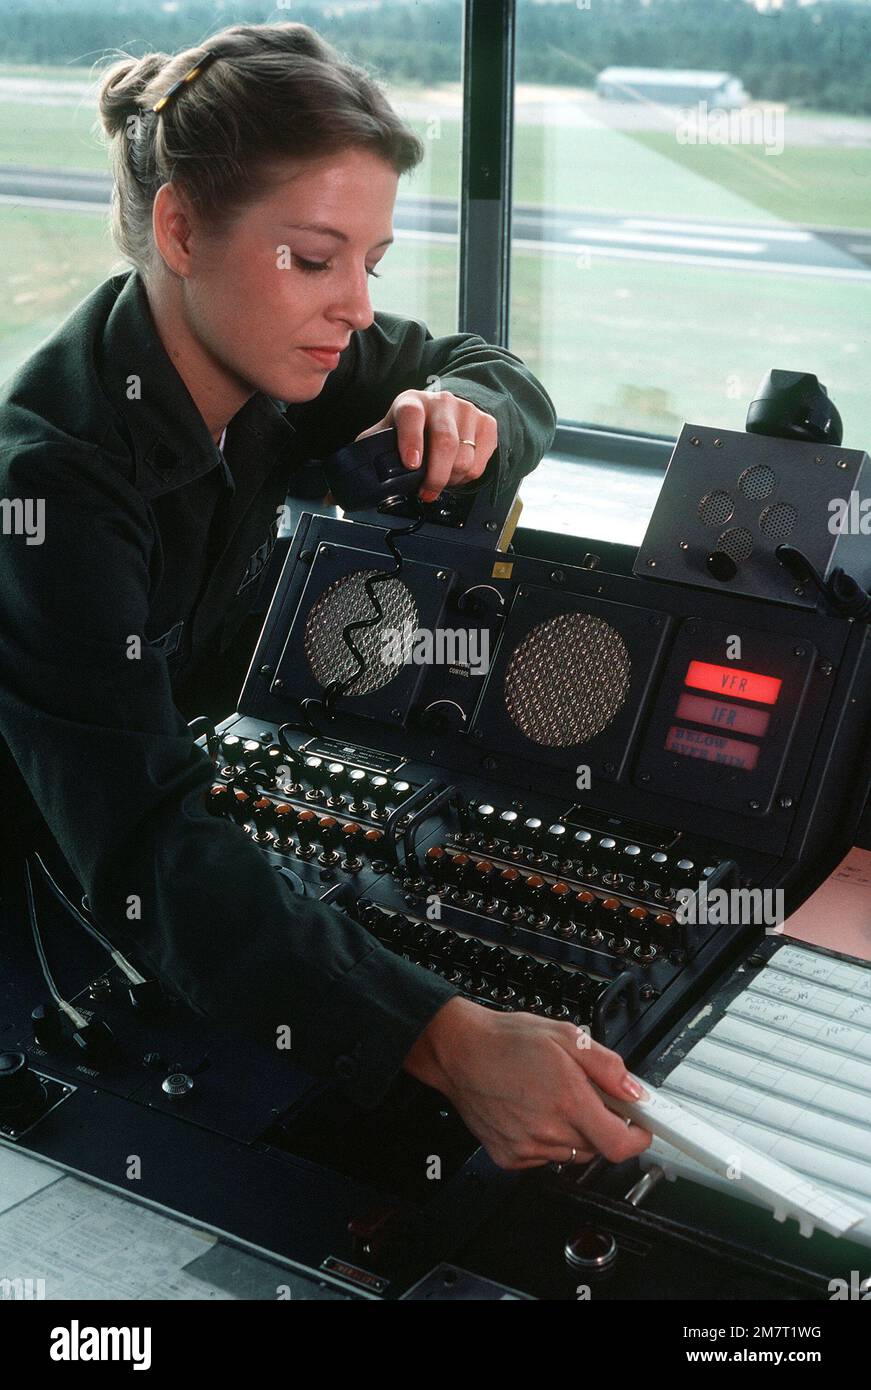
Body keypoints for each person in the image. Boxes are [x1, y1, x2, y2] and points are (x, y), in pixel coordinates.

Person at [0, 21, 651, 1172]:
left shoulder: (272, 343)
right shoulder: (49, 484)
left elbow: (495, 368)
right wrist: (444, 1040)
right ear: (182, 229)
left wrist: (465, 415)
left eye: (373, 261)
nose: (354, 306)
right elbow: (146, 840)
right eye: (314, 255)